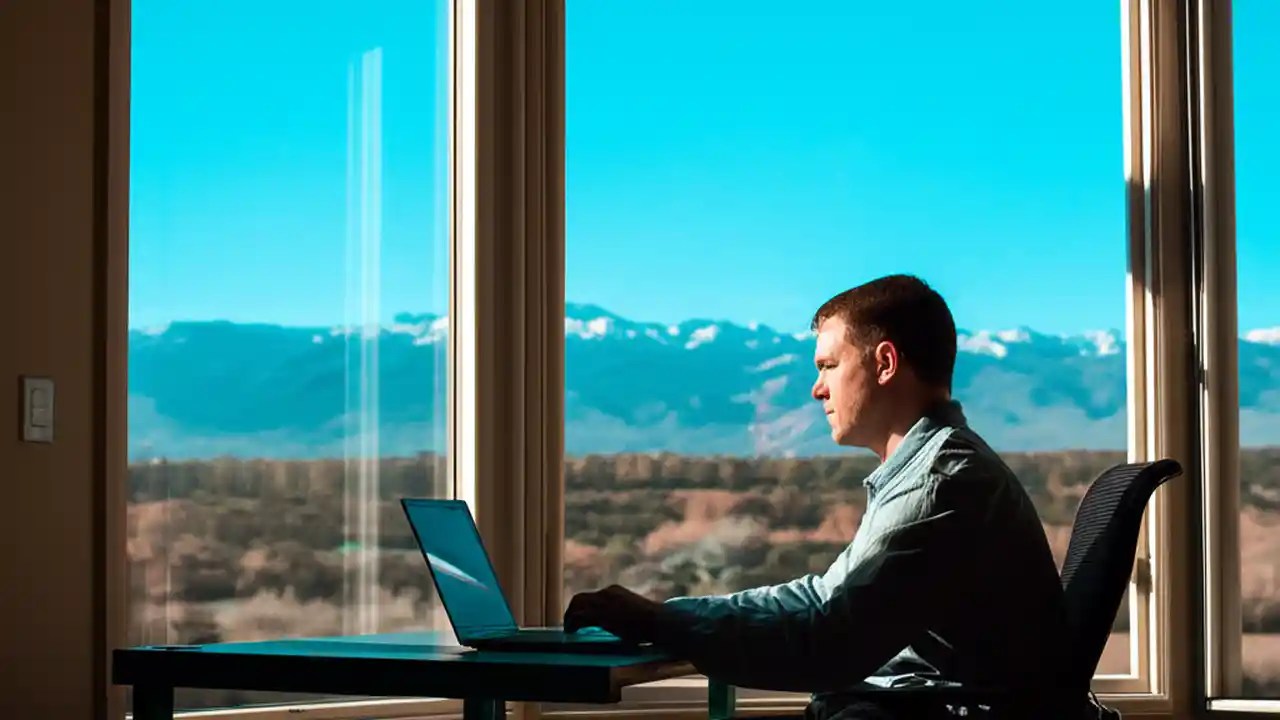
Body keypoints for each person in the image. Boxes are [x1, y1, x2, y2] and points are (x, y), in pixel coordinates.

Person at [563, 274, 1078, 720]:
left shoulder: (942, 483)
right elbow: (822, 599)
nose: (817, 389)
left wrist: (661, 621)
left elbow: (830, 640)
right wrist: (674, 613)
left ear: (884, 363)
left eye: (828, 366)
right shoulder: (923, 472)